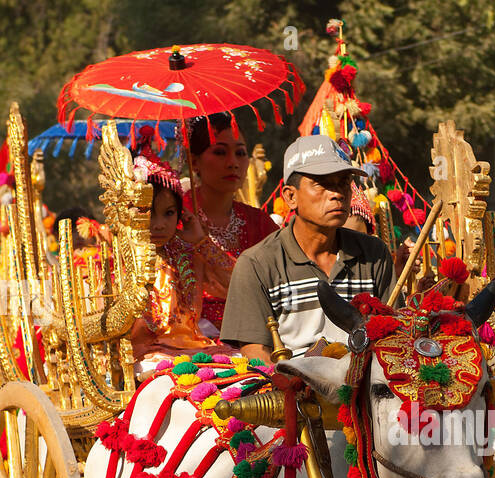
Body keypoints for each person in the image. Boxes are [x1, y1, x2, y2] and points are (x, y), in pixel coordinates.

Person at [222, 135, 395, 359]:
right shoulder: (257, 264)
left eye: (343, 183)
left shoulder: (374, 253)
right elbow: (257, 352)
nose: (337, 194)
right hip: (292, 385)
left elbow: (392, 332)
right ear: (291, 197)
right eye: (322, 184)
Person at [127, 151, 228, 373]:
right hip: (144, 356)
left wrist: (201, 241)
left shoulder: (190, 252)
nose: (159, 224)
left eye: (169, 213)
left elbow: (236, 286)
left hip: (195, 349)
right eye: (148, 213)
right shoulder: (119, 257)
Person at [184, 114, 278, 343]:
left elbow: (272, 288)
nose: (233, 162)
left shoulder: (260, 223)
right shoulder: (175, 217)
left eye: (240, 152)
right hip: (188, 341)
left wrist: (203, 246)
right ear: (194, 161)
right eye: (219, 152)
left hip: (254, 337)